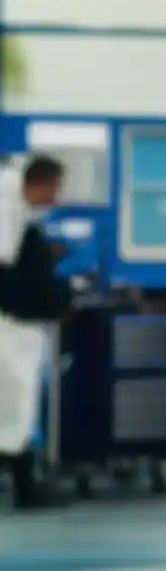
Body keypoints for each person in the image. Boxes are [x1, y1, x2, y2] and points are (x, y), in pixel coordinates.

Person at [0, 155, 72, 508]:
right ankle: (25, 486)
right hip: (10, 326)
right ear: (39, 183)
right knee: (13, 405)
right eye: (54, 189)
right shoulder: (5, 208)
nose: (55, 198)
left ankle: (25, 481)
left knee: (16, 408)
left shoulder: (22, 217)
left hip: (20, 324)